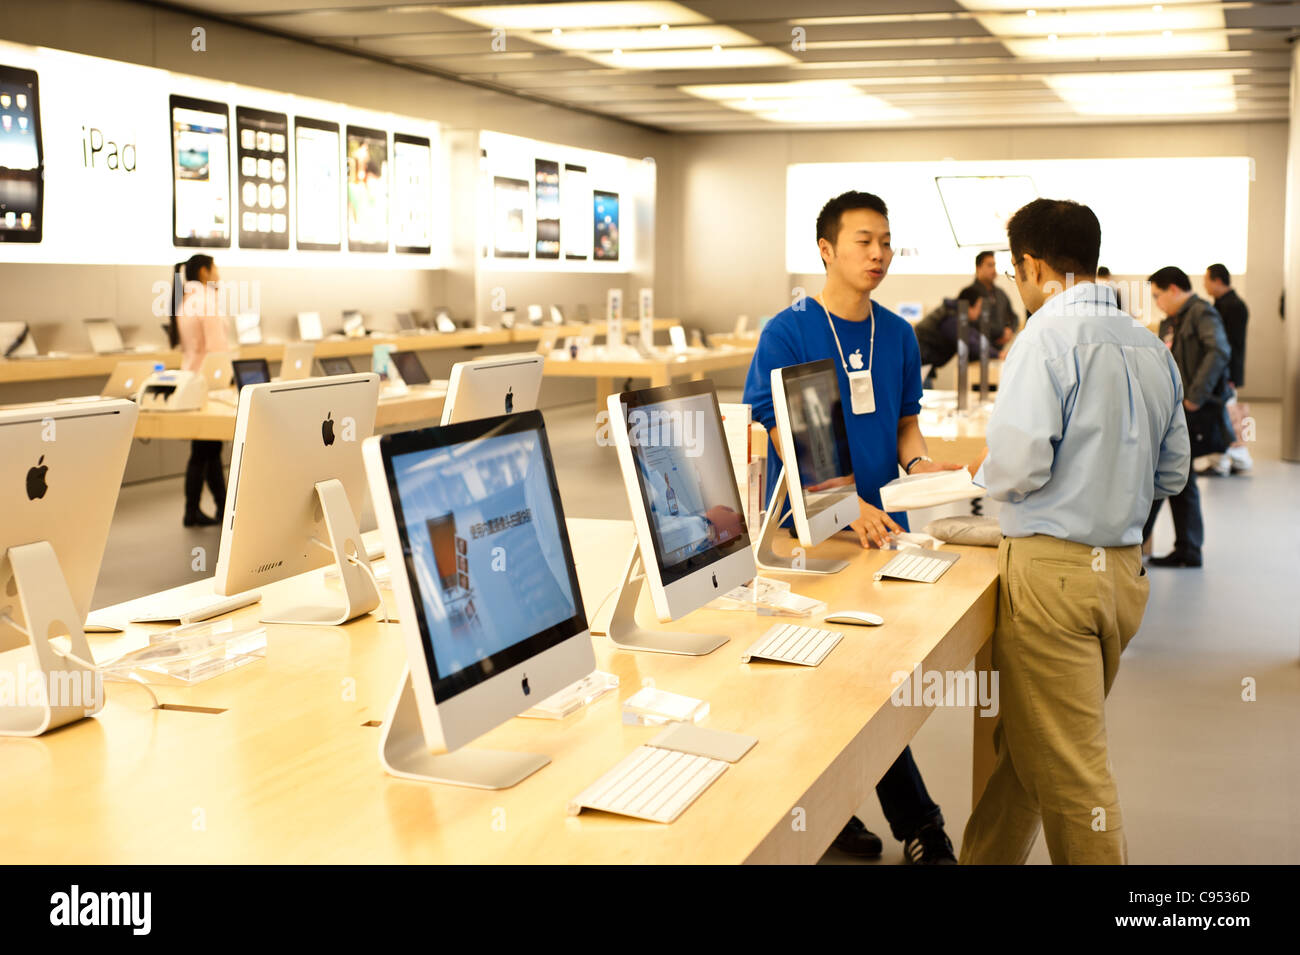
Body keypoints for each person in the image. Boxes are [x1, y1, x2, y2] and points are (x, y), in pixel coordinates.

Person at [961, 199, 1188, 865]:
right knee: (1033, 749)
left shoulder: (1042, 340)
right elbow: (1172, 473)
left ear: (1032, 265)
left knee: (1071, 772)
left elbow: (1021, 466)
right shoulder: (1150, 344)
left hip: (1051, 581)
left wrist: (982, 473)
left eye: (1015, 270)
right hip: (1119, 576)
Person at [743, 190, 968, 865]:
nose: (878, 254)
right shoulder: (789, 330)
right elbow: (770, 425)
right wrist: (837, 497)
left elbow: (903, 421)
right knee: (841, 679)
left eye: (886, 242)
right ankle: (920, 825)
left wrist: (922, 462)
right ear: (826, 249)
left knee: (868, 679)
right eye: (864, 241)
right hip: (811, 531)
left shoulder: (897, 333)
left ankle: (834, 813)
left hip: (883, 532)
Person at [1141, 266, 1230, 567]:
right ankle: (1186, 549)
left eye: (1158, 295)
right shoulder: (1172, 319)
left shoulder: (1201, 314)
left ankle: (1137, 544)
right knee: (1180, 477)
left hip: (1191, 410)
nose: (1157, 303)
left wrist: (1195, 396)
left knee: (1165, 472)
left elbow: (1219, 351)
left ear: (1173, 289)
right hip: (1175, 409)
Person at [171, 254, 229, 528]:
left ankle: (220, 507)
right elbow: (217, 350)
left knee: (207, 449)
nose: (218, 271)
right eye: (215, 267)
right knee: (205, 451)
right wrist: (227, 380)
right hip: (208, 384)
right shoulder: (206, 302)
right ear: (205, 272)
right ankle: (194, 511)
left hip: (191, 380)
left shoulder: (186, 301)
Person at [1202, 263, 1253, 475]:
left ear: (1217, 280)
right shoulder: (1225, 304)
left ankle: (1232, 461)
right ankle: (1229, 461)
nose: (1204, 285)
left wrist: (1228, 375)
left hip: (1226, 372)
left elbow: (1230, 346)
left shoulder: (1232, 306)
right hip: (1225, 372)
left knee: (1227, 416)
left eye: (1206, 280)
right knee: (1226, 415)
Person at [913, 284, 984, 385]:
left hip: (922, 365)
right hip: (919, 367)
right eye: (978, 307)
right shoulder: (952, 319)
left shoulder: (953, 314)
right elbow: (970, 342)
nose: (980, 312)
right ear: (969, 306)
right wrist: (998, 354)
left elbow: (973, 335)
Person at [973, 250, 1019, 351]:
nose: (993, 269)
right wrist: (1000, 332)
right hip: (977, 353)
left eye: (994, 265)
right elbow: (972, 323)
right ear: (978, 268)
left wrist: (1009, 330)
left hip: (999, 352)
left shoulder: (1000, 294)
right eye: (989, 265)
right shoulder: (969, 294)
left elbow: (1014, 317)